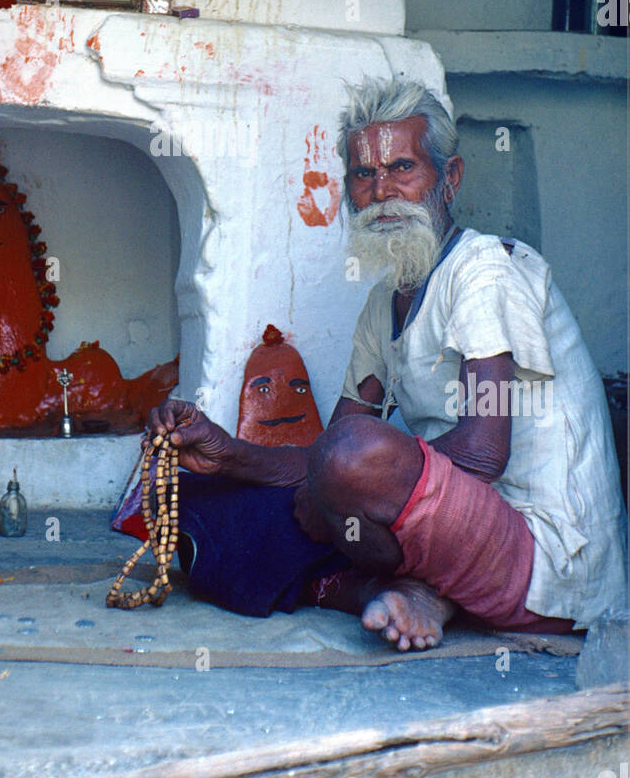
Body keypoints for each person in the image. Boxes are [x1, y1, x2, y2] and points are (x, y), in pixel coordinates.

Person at [147, 80, 627, 651]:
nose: (382, 192)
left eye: (402, 168)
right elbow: (322, 458)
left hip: (543, 562)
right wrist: (228, 453)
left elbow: (481, 452)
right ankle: (404, 593)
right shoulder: (386, 300)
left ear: (448, 181)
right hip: (459, 528)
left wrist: (334, 498)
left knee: (351, 459)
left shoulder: (484, 272)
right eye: (363, 175)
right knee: (190, 499)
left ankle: (385, 588)